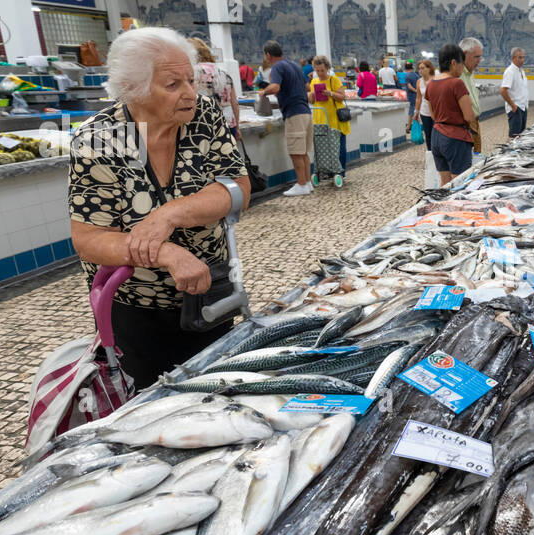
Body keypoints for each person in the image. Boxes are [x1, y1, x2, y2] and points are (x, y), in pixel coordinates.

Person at [68, 27, 250, 390]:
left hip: (209, 293)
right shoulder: (101, 138)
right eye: (173, 85)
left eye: (190, 80)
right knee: (151, 403)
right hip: (136, 306)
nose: (190, 94)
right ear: (134, 89)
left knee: (218, 391)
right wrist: (167, 253)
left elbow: (237, 187)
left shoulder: (203, 117)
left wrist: (169, 215)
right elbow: (90, 238)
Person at [260, 40, 313, 196]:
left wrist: (263, 92)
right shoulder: (295, 65)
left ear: (268, 55)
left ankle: (301, 184)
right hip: (306, 112)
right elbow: (307, 87)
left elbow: (275, 87)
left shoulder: (277, 67)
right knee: (303, 152)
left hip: (294, 113)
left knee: (295, 152)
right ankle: (307, 183)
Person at [424, 43, 478, 187]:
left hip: (437, 136)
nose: (462, 68)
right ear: (453, 63)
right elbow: (469, 116)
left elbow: (433, 115)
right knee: (460, 183)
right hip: (455, 138)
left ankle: (444, 208)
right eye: (462, 64)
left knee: (445, 183)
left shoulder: (431, 84)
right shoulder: (456, 84)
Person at [189, 37, 241, 142]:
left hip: (202, 126)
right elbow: (234, 102)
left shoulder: (192, 73)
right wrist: (237, 127)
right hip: (227, 123)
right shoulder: (224, 72)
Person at [308, 54, 351, 179]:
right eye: (317, 70)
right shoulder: (314, 82)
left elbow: (342, 96)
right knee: (324, 147)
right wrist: (311, 96)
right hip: (321, 118)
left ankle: (340, 172)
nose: (320, 73)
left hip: (335, 119)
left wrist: (330, 93)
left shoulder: (334, 80)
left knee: (339, 147)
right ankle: (327, 170)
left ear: (327, 68)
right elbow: (312, 102)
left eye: (322, 70)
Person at [459, 37, 484, 154]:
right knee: (466, 159)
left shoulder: (470, 72)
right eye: (476, 57)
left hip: (475, 123)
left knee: (476, 155)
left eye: (480, 56)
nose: (479, 60)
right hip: (465, 125)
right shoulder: (458, 75)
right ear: (464, 54)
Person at [406, 58, 435, 147]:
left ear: (429, 68)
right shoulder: (419, 81)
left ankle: (438, 154)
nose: (420, 71)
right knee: (428, 135)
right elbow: (419, 98)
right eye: (419, 68)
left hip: (435, 112)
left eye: (423, 68)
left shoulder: (435, 80)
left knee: (436, 135)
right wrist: (416, 112)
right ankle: (429, 153)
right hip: (424, 112)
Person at [500, 46, 529, 138]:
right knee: (514, 136)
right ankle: (509, 152)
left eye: (523, 57)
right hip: (516, 108)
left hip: (523, 107)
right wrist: (513, 105)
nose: (522, 60)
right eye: (520, 57)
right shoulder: (510, 71)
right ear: (513, 58)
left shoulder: (521, 71)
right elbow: (503, 90)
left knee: (520, 135)